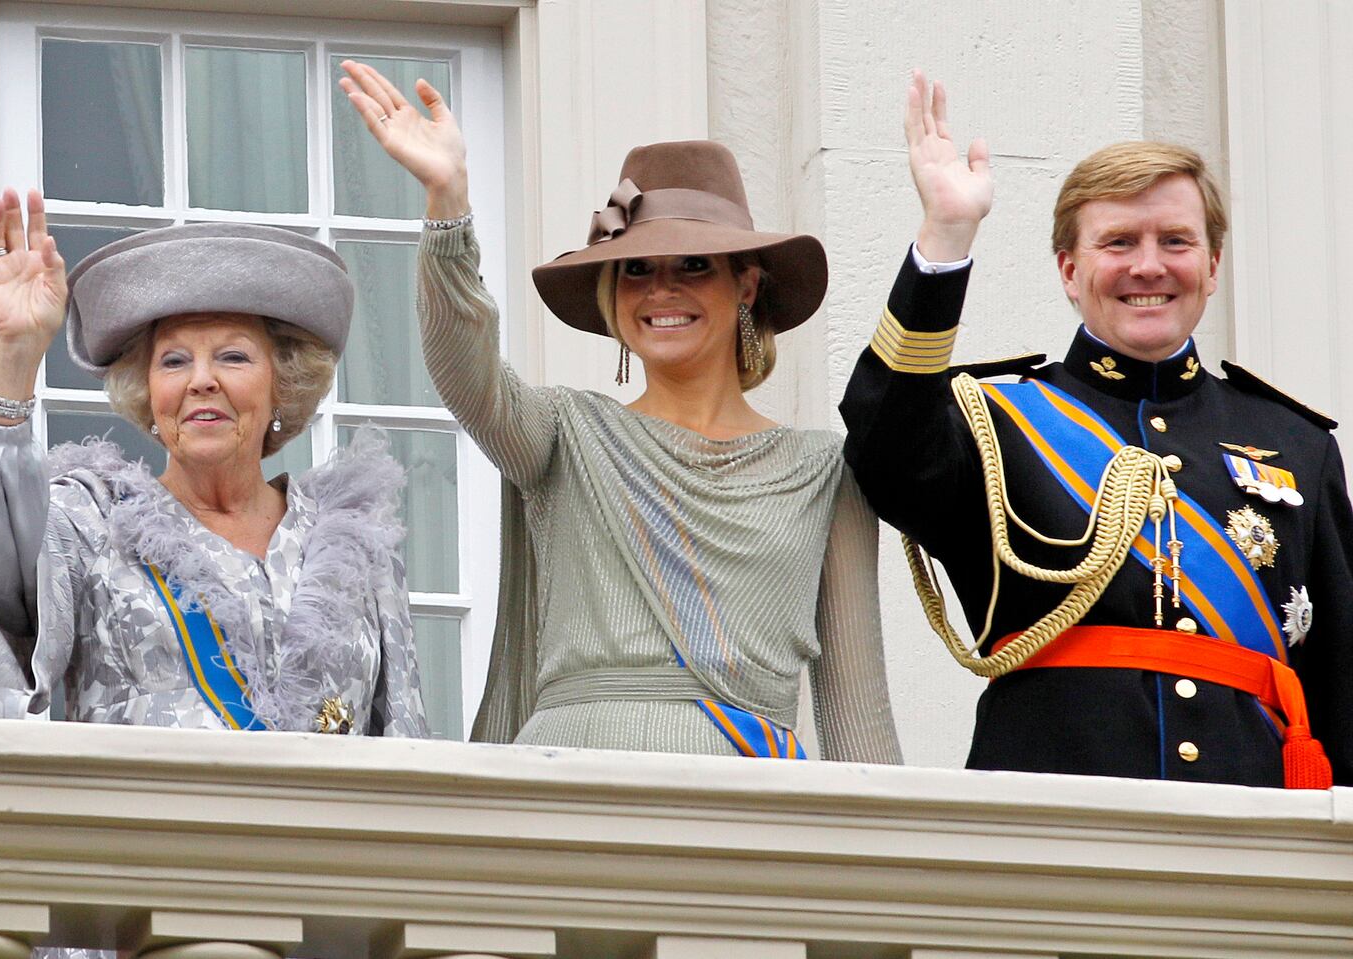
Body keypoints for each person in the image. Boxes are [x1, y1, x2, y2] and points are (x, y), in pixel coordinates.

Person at [338, 60, 899, 762]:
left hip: (746, 811)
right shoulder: (565, 434)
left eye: (694, 263)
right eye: (635, 267)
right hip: (569, 795)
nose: (661, 289)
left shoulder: (825, 469)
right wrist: (448, 200)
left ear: (747, 285)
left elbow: (858, 710)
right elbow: (463, 367)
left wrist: (888, 860)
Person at [840, 71, 1353, 787]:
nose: (1148, 265)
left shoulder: (1298, 444)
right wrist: (945, 239)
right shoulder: (998, 423)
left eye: (1175, 240)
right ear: (1069, 270)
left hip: (1251, 831)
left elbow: (1339, 679)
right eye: (1119, 242)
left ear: (1211, 266)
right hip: (1052, 823)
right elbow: (882, 449)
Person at [0, 188, 428, 737]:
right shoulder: (94, 522)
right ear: (148, 393)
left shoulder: (350, 544)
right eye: (173, 361)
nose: (200, 380)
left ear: (282, 384)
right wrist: (17, 350)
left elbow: (407, 739)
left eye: (233, 356)